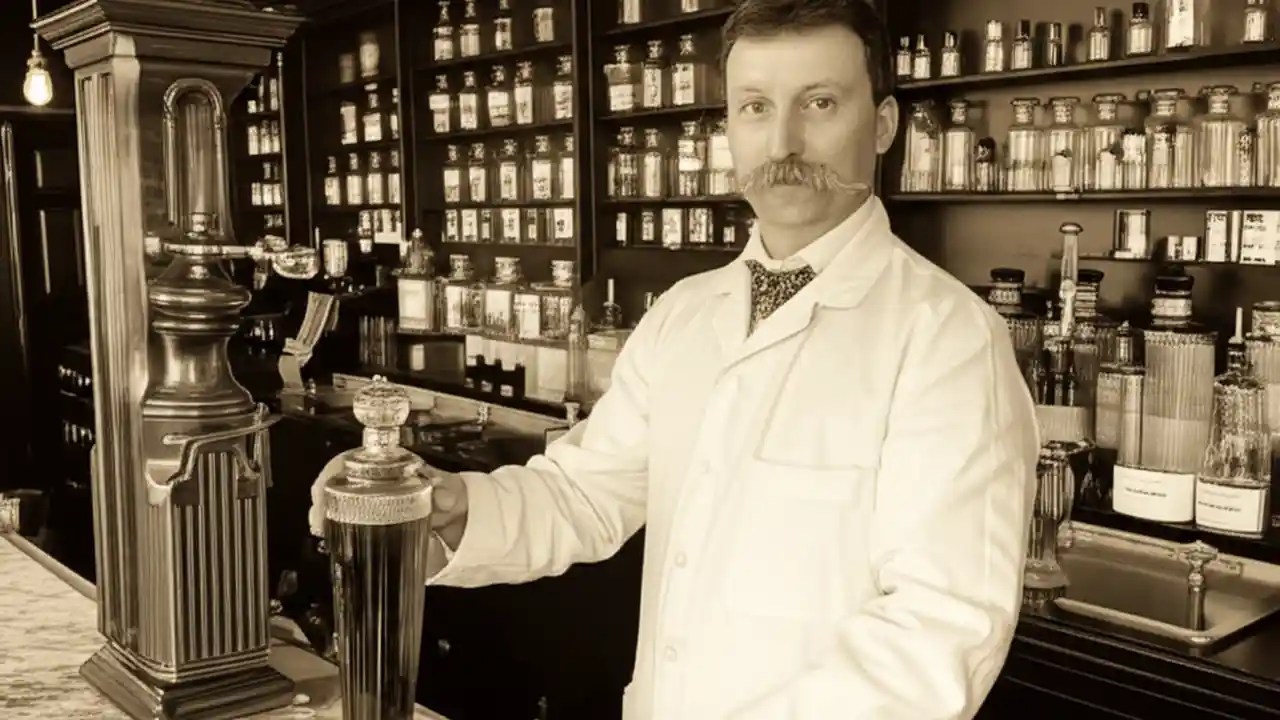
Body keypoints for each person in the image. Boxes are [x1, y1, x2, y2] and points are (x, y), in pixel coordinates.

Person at [311, 0, 1040, 717]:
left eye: (819, 103)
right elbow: (585, 493)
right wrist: (455, 509)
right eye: (755, 106)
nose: (783, 141)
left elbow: (940, 629)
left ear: (883, 125)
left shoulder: (947, 338)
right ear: (729, 125)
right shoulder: (687, 313)